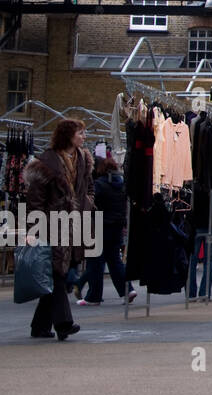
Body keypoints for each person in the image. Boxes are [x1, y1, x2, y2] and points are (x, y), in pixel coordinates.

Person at [24, 119, 95, 340]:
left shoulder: (83, 158)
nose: (84, 136)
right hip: (51, 225)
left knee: (59, 274)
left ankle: (39, 326)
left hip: (75, 224)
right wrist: (33, 230)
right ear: (68, 135)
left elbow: (89, 186)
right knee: (58, 275)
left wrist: (88, 202)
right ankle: (64, 324)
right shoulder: (46, 161)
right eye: (80, 133)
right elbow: (35, 199)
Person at [78, 157, 136, 306]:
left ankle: (94, 296)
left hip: (100, 226)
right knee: (115, 260)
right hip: (116, 227)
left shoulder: (99, 185)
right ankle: (127, 289)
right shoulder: (122, 185)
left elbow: (90, 203)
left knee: (95, 261)